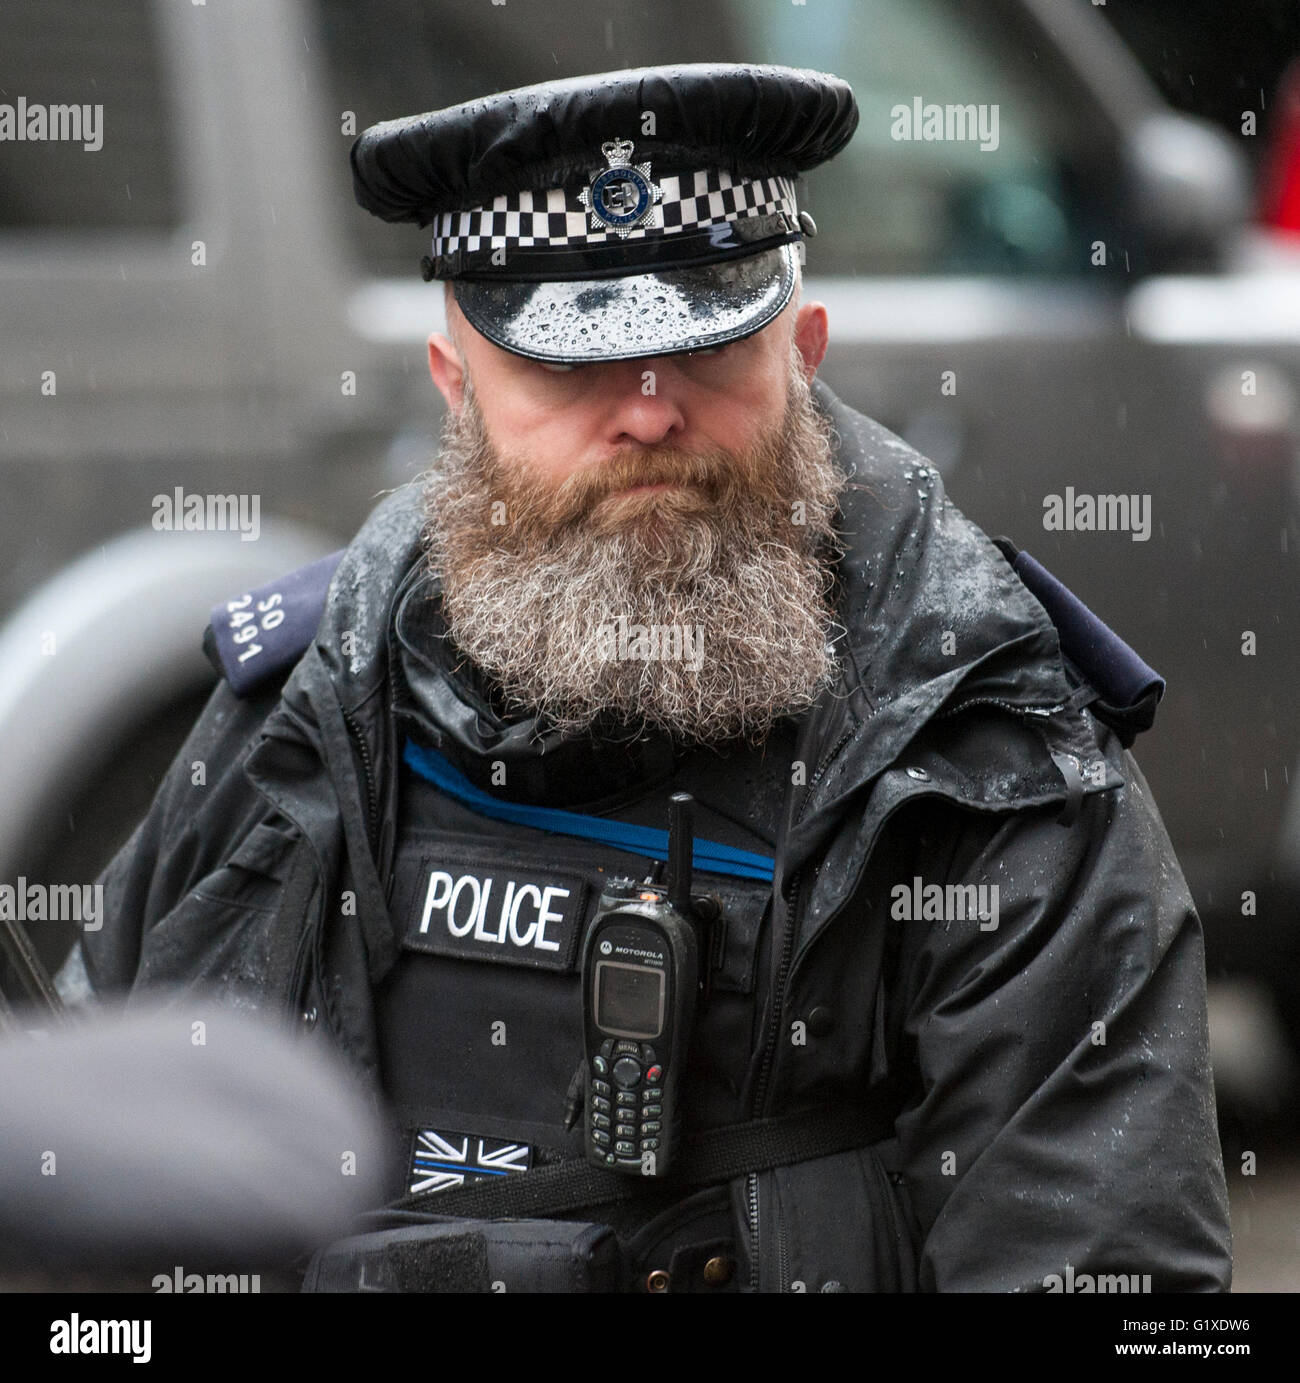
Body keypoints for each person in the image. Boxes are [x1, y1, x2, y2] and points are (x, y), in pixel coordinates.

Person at [62, 64, 1232, 1292]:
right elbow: (104, 1175)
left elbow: (1103, 1264)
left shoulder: (983, 759)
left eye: (707, 350)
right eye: (571, 367)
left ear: (803, 355)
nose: (648, 416)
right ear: (455, 388)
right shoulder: (311, 698)